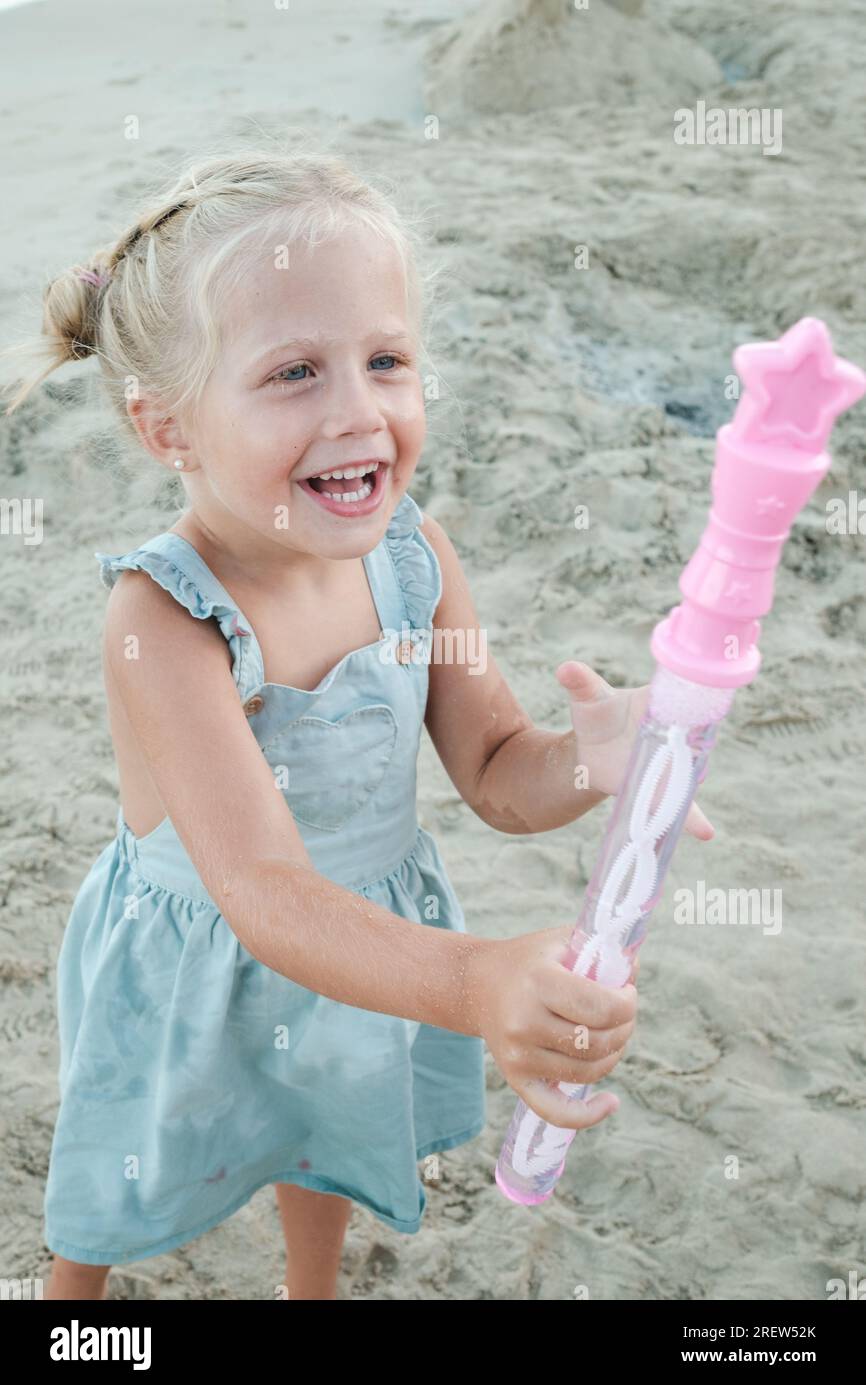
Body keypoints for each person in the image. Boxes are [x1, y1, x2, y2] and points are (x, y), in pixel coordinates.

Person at [2, 147, 712, 1301]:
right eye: (293, 372)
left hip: (367, 956)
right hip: (196, 959)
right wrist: (478, 979)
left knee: (318, 1130)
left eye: (386, 360)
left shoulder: (412, 555)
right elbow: (265, 890)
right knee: (119, 1174)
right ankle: (70, 1301)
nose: (359, 413)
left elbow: (492, 766)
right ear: (166, 428)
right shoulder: (163, 621)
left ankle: (311, 1288)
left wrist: (593, 757)